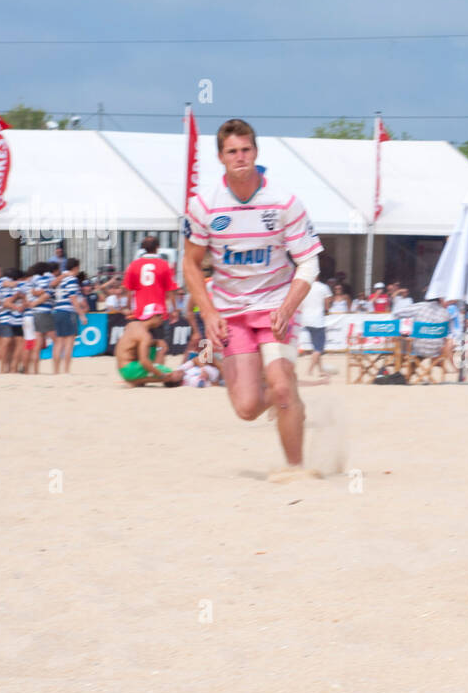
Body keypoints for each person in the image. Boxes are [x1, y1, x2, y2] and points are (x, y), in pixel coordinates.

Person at [183, 118, 324, 481]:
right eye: (232, 151)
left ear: (256, 152)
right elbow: (191, 264)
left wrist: (289, 306)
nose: (240, 157)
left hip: (275, 305)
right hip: (230, 312)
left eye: (246, 149)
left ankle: (296, 469)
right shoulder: (203, 206)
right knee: (246, 408)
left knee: (279, 385)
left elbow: (309, 261)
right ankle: (287, 395)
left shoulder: (284, 202)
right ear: (220, 157)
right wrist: (209, 312)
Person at [114, 303, 182, 386]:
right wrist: (161, 375)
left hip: (123, 368)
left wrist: (156, 343)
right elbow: (144, 361)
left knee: (156, 346)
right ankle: (135, 381)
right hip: (129, 369)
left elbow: (132, 342)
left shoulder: (132, 324)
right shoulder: (145, 335)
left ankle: (138, 380)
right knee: (171, 375)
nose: (162, 319)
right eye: (160, 315)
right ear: (154, 316)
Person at [125, 236, 178, 319]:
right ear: (157, 247)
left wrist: (128, 308)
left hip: (140, 312)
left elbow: (129, 290)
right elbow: (170, 290)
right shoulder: (165, 265)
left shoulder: (133, 265)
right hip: (159, 312)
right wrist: (174, 310)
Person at [50, 258, 86, 374]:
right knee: (69, 343)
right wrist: (81, 315)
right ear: (76, 267)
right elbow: (73, 299)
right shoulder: (71, 279)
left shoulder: (61, 280)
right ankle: (66, 370)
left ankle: (56, 371)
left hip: (58, 310)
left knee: (59, 343)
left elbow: (52, 285)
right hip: (68, 312)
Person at [297, 276, 333, 382]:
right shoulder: (323, 287)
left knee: (315, 347)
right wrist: (326, 310)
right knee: (319, 348)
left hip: (306, 319)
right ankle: (310, 370)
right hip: (318, 320)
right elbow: (327, 302)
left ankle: (321, 370)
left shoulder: (304, 286)